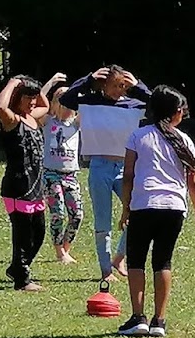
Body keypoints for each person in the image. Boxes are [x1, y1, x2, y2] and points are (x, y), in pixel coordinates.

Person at [117, 86, 195, 338]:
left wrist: (125, 209)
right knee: (162, 261)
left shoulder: (138, 136)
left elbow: (128, 177)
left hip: (144, 204)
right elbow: (193, 181)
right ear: (177, 112)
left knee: (136, 261)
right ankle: (159, 320)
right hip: (174, 207)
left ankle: (138, 317)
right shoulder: (184, 140)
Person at [56, 65, 153, 286]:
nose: (119, 90)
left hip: (126, 167)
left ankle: (119, 258)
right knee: (103, 221)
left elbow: (158, 106)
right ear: (103, 85)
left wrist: (138, 87)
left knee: (139, 211)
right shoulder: (89, 102)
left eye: (123, 86)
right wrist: (88, 79)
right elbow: (67, 99)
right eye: (115, 85)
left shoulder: (134, 105)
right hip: (99, 166)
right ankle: (104, 269)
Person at [0, 75, 50, 292]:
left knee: (39, 234)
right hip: (18, 187)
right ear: (17, 98)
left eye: (34, 98)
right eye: (29, 99)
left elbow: (45, 104)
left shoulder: (32, 118)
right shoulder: (12, 121)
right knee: (23, 235)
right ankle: (22, 280)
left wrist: (36, 87)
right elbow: (0, 106)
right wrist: (12, 84)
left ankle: (17, 268)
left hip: (35, 186)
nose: (34, 103)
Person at [39, 73, 84, 263]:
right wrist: (51, 83)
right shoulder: (48, 122)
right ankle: (59, 252)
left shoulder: (76, 124)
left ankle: (65, 249)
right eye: (62, 101)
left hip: (70, 175)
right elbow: (39, 101)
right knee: (58, 213)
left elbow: (88, 105)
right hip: (51, 174)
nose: (67, 107)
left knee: (77, 214)